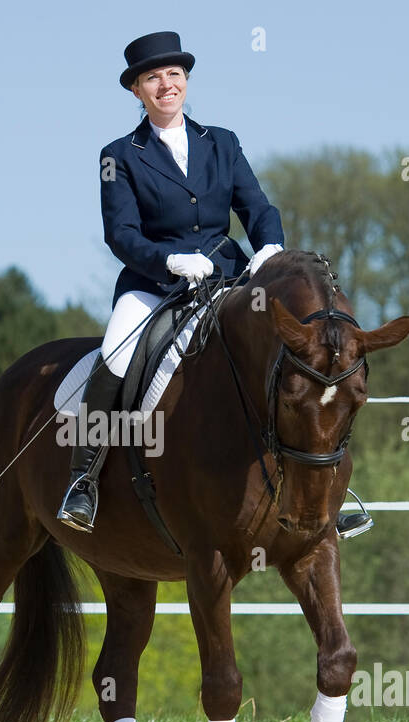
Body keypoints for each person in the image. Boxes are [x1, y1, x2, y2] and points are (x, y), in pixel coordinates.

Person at [57, 31, 370, 541]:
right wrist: (170, 261)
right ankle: (84, 479)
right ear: (136, 90)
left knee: (303, 366)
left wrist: (268, 247)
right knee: (115, 354)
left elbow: (257, 207)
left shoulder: (221, 142)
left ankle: (335, 489)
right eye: (153, 78)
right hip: (154, 284)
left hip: (229, 276)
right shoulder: (119, 154)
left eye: (174, 75)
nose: (166, 85)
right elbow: (121, 234)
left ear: (186, 82)